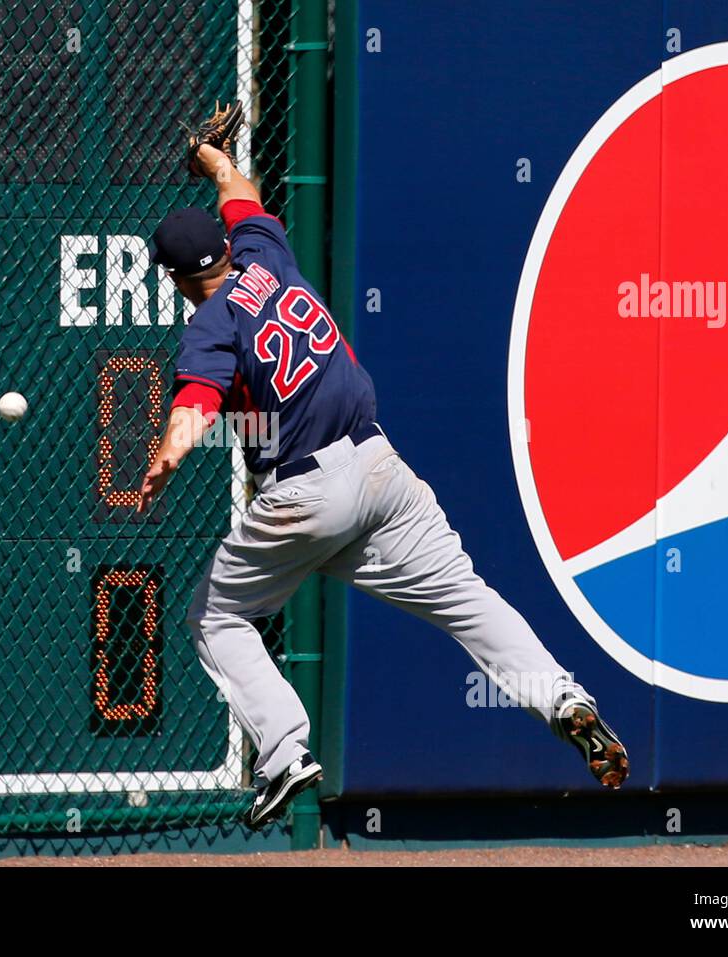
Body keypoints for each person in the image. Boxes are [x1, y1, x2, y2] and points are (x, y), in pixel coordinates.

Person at [139, 142, 628, 831]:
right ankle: (561, 700)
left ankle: (283, 751)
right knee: (465, 598)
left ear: (177, 278)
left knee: (215, 616)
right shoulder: (263, 253)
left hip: (305, 494)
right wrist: (213, 161)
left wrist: (168, 453)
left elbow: (196, 400)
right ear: (224, 244)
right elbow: (239, 190)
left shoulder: (209, 325)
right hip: (379, 466)